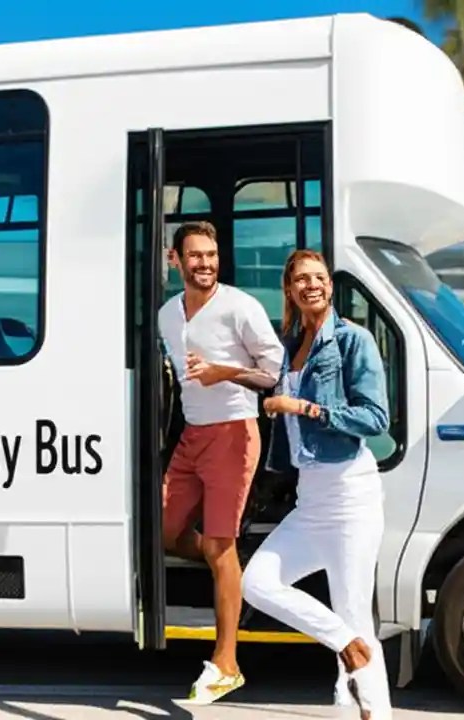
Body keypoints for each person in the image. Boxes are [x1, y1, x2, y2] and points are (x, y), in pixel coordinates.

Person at [241, 249, 394, 720]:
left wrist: (304, 409)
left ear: (330, 285)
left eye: (320, 277)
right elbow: (268, 379)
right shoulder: (290, 345)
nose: (312, 285)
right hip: (311, 500)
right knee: (257, 583)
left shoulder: (353, 341)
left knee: (353, 611)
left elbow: (375, 418)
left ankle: (367, 710)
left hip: (351, 493)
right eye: (302, 279)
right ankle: (347, 643)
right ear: (289, 289)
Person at [157, 220, 284, 705]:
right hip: (192, 435)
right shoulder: (170, 314)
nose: (205, 263)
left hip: (234, 433)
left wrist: (223, 371)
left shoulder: (240, 307)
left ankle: (226, 663)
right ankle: (232, 571)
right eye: (195, 256)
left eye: (211, 255)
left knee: (217, 544)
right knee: (166, 532)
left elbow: (273, 374)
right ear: (176, 261)